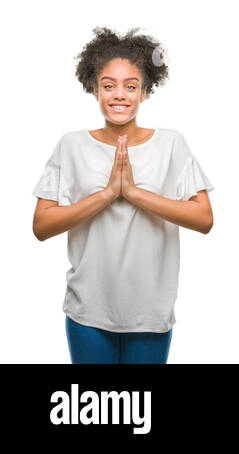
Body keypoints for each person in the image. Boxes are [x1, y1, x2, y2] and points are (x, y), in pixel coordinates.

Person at [32, 27, 215, 364]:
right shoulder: (71, 145)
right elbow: (41, 226)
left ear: (144, 92)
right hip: (88, 311)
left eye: (130, 86)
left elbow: (204, 219)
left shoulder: (171, 144)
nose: (119, 95)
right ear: (94, 89)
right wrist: (106, 195)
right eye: (108, 85)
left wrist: (133, 193)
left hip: (150, 312)